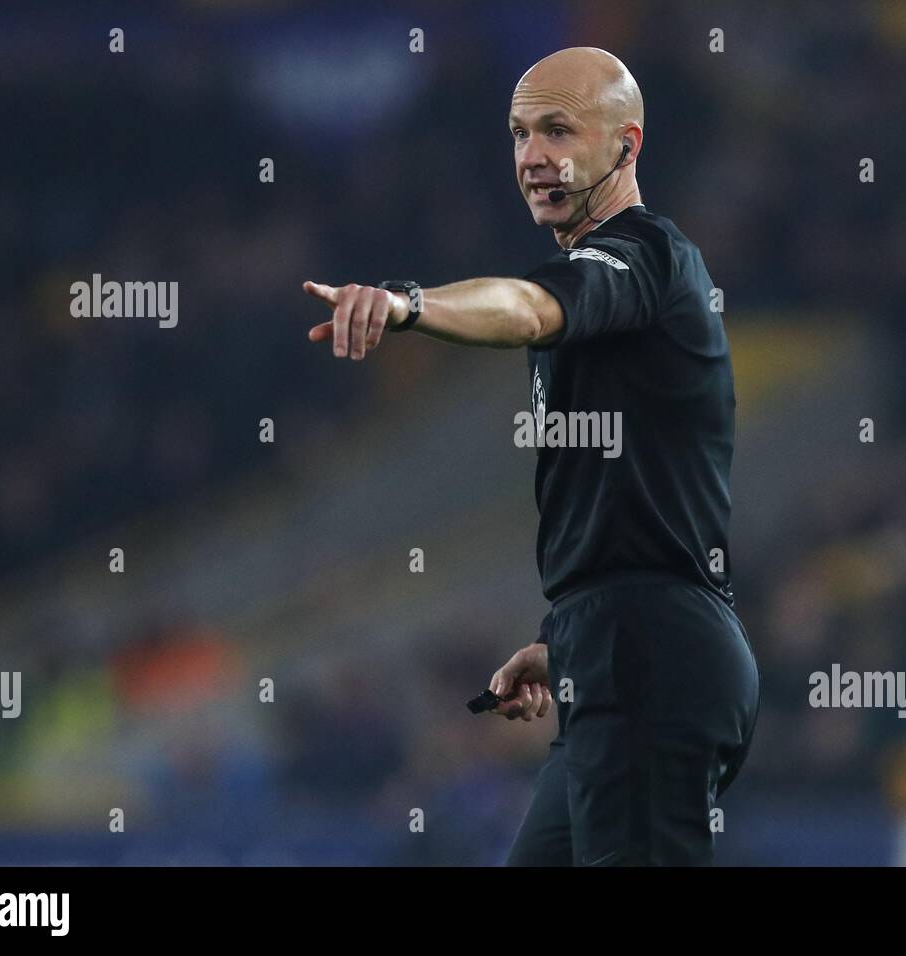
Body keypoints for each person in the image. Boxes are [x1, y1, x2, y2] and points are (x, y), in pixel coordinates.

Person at [302, 47, 759, 866]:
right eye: (518, 134)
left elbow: (521, 305)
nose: (532, 155)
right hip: (617, 651)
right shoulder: (607, 302)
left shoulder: (640, 253)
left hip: (653, 660)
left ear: (627, 145)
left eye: (557, 129)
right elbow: (638, 505)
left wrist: (407, 305)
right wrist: (569, 640)